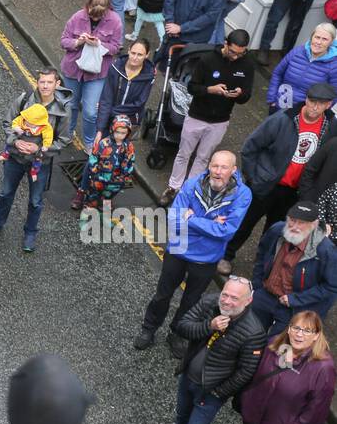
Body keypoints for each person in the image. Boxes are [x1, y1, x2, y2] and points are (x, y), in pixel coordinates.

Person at [146, 278, 265, 424]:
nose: (227, 301)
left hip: (210, 392)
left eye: (234, 298)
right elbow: (183, 326)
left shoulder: (254, 332)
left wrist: (219, 392)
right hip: (188, 379)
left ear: (249, 301)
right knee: (181, 418)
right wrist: (208, 326)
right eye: (225, 295)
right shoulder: (210, 302)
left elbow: (246, 371)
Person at [136, 151, 253, 351]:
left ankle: (178, 333)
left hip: (207, 259)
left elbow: (226, 232)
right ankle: (149, 328)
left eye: (224, 167)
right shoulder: (191, 185)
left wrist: (191, 219)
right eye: (214, 166)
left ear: (233, 170)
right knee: (162, 295)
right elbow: (174, 219)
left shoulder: (243, 195)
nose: (217, 171)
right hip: (178, 250)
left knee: (191, 301)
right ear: (209, 166)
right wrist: (209, 225)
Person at [224, 83, 337, 271]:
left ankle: (260, 265)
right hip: (268, 185)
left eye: (320, 103)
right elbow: (250, 147)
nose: (314, 107)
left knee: (276, 231)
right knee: (245, 222)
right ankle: (226, 255)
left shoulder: (331, 127)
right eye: (311, 101)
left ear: (328, 105)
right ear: (306, 99)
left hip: (296, 191)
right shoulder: (282, 119)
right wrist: (254, 178)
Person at [0, 68, 72, 253]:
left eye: (49, 82)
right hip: (15, 158)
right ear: (37, 82)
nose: (45, 86)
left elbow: (64, 140)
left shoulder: (63, 110)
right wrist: (15, 141)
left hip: (40, 163)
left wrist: (40, 148)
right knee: (5, 193)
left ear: (57, 84)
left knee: (36, 200)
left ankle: (30, 233)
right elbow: (7, 122)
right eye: (42, 81)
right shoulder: (25, 99)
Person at [158, 31, 254, 207]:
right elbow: (193, 88)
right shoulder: (208, 60)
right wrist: (211, 90)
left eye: (241, 53)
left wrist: (239, 94)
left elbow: (246, 95)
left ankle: (188, 190)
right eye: (233, 52)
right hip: (197, 116)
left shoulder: (247, 65)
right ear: (226, 43)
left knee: (203, 158)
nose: (236, 56)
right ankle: (173, 187)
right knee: (184, 153)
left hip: (220, 120)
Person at [250, 201, 337, 336]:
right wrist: (256, 286)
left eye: (302, 223)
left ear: (313, 225)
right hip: (264, 296)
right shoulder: (277, 230)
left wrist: (296, 299)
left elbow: (331, 287)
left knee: (274, 349)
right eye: (292, 220)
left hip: (294, 308)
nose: (295, 226)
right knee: (248, 336)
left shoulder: (326, 250)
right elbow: (261, 255)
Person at [58, 0, 124, 147]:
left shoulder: (115, 21)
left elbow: (116, 48)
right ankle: (67, 134)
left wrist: (99, 44)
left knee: (90, 112)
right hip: (73, 70)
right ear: (88, 7)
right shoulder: (77, 17)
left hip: (97, 74)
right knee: (71, 106)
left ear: (106, 11)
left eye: (98, 17)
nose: (94, 19)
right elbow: (63, 41)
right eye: (92, 16)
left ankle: (89, 142)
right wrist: (78, 42)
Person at [93, 38, 155, 149]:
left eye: (140, 55)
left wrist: (112, 111)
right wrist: (100, 129)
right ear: (128, 50)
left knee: (119, 154)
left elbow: (138, 103)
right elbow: (106, 98)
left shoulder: (149, 76)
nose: (135, 58)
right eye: (133, 53)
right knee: (100, 151)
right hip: (108, 118)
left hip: (128, 122)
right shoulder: (115, 68)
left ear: (147, 55)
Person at [268, 23, 337, 114]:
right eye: (317, 37)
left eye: (324, 39)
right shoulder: (297, 52)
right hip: (279, 105)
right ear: (312, 37)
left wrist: (315, 113)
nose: (319, 42)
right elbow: (278, 73)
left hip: (304, 114)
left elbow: (333, 95)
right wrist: (272, 99)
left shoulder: (334, 65)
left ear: (331, 42)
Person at [74, 114, 137, 212]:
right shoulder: (103, 143)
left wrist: (125, 176)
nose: (119, 135)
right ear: (112, 130)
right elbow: (94, 157)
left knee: (110, 194)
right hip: (100, 176)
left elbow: (130, 161)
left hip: (116, 179)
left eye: (123, 133)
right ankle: (90, 206)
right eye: (117, 132)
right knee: (93, 193)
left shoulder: (129, 147)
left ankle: (105, 204)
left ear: (128, 133)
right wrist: (94, 171)